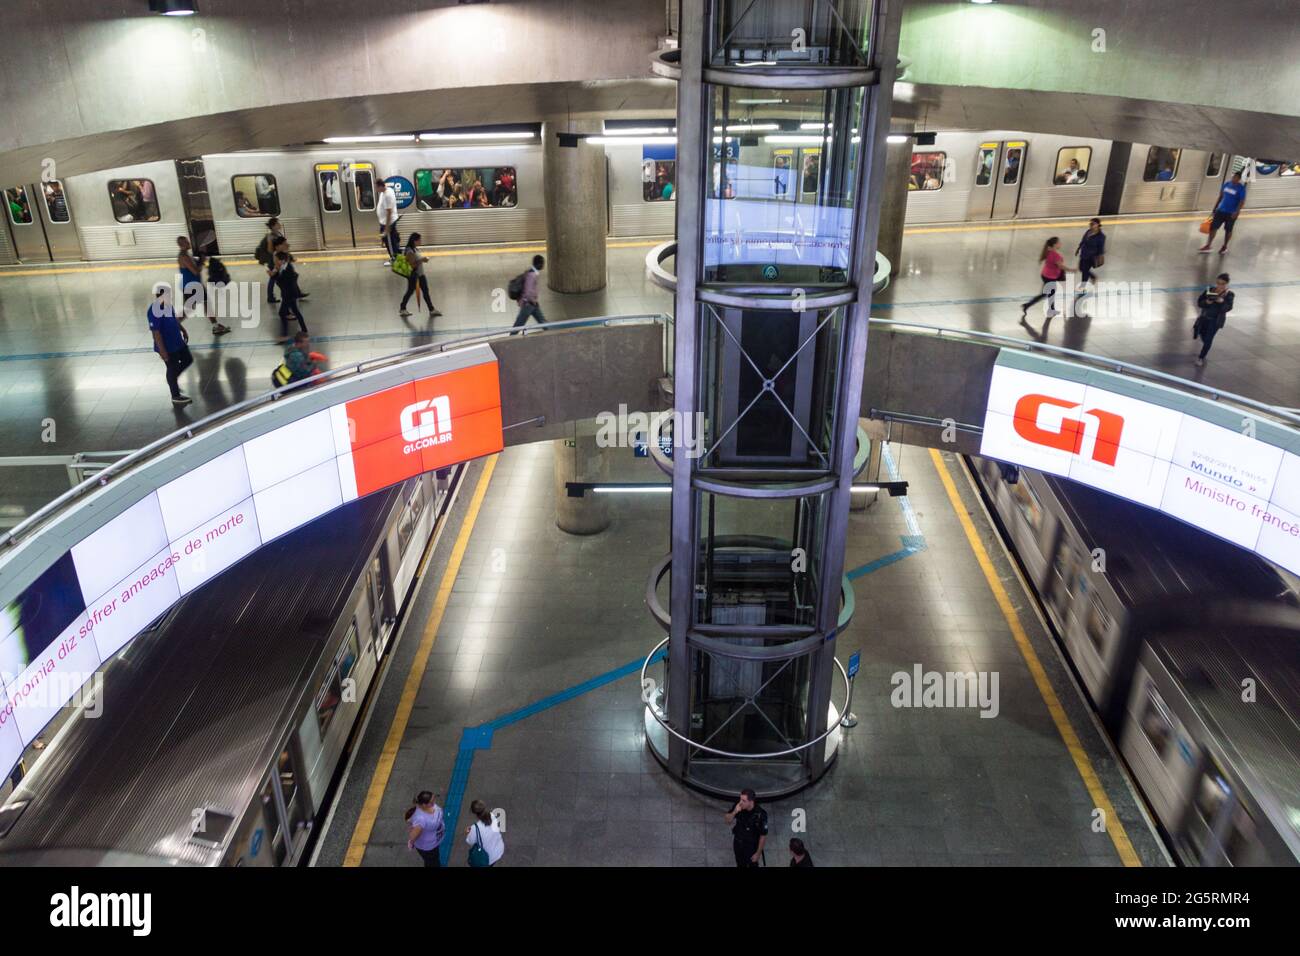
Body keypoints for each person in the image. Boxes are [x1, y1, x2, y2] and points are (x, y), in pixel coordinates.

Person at [148, 287, 193, 406]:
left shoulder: (168, 306)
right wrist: (163, 351)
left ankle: (172, 379)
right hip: (167, 346)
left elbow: (174, 319)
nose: (171, 298)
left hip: (177, 342)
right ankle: (175, 395)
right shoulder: (154, 311)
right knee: (172, 367)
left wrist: (183, 330)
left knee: (188, 359)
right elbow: (156, 333)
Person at [176, 235, 230, 335]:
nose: (189, 243)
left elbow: (198, 264)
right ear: (181, 244)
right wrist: (202, 259)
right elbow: (196, 271)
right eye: (186, 242)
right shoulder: (183, 257)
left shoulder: (187, 255)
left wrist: (202, 255)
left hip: (195, 285)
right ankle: (173, 324)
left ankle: (216, 326)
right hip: (191, 286)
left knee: (205, 305)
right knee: (189, 309)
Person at [1020, 236, 1074, 320]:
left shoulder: (1048, 252)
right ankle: (1027, 305)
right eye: (1059, 243)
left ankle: (1051, 310)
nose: (1060, 244)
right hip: (1050, 277)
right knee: (1045, 294)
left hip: (1045, 275)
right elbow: (1061, 266)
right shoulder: (1056, 255)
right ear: (1055, 245)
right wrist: (1071, 270)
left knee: (1051, 293)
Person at [1200, 171, 1247, 255]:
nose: (1234, 179)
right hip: (1220, 210)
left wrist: (1237, 212)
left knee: (1228, 230)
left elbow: (1242, 201)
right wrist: (1215, 208)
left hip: (1231, 213)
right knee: (1213, 227)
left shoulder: (1241, 188)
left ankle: (1224, 246)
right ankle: (1208, 245)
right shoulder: (1226, 184)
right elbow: (1221, 196)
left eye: (1236, 178)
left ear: (1239, 179)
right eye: (1233, 177)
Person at [1193, 273, 1234, 367]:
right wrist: (1206, 302)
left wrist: (1222, 302)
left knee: (1208, 339)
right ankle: (1206, 345)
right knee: (1202, 334)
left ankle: (1201, 357)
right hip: (1204, 318)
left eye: (1222, 284)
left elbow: (1228, 307)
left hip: (1215, 321)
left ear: (1226, 284)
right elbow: (1200, 303)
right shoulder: (1210, 290)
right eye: (1218, 283)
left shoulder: (1229, 295)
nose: (1219, 286)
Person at [399, 233, 442, 318]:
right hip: (414, 275)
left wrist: (422, 260)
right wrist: (422, 260)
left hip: (420, 274)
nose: (420, 241)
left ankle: (431, 309)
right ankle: (402, 308)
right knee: (410, 291)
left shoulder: (415, 249)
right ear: (414, 240)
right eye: (419, 240)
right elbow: (412, 265)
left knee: (425, 291)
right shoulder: (409, 251)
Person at [724, 788, 768, 867]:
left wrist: (758, 853)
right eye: (740, 799)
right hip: (738, 842)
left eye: (744, 801)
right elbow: (727, 821)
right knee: (740, 864)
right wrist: (734, 812)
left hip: (751, 845)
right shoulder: (738, 806)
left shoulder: (760, 814)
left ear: (751, 802)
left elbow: (763, 836)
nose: (740, 802)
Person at [405, 791, 445, 868]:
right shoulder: (421, 820)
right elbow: (412, 836)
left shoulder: (430, 807)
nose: (434, 803)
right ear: (424, 805)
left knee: (434, 859)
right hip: (428, 847)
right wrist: (411, 841)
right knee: (432, 862)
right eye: (431, 802)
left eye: (434, 800)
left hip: (434, 842)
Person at [274, 251, 307, 341]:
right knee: (296, 311)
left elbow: (284, 282)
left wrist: (276, 273)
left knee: (282, 313)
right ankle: (304, 329)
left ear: (282, 261)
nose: (275, 261)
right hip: (289, 294)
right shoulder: (283, 267)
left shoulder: (287, 269)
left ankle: (284, 335)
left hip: (288, 295)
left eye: (276, 260)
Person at [511, 255, 548, 333]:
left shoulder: (531, 272)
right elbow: (528, 292)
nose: (543, 265)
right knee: (519, 323)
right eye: (542, 263)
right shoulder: (532, 275)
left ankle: (551, 333)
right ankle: (511, 337)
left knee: (542, 321)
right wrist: (533, 301)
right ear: (538, 264)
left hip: (532, 304)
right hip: (528, 304)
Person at [464, 800, 505, 866]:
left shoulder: (475, 828)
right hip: (498, 850)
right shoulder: (492, 816)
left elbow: (470, 841)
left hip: (487, 857)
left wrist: (468, 832)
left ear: (474, 813)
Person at [1075, 218, 1106, 294]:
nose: (1091, 225)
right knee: (1081, 268)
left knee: (1085, 271)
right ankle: (1093, 277)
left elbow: (1101, 248)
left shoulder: (1101, 237)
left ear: (1098, 225)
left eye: (1093, 224)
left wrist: (1100, 256)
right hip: (1083, 253)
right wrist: (1078, 248)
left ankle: (1082, 287)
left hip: (1091, 256)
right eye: (1090, 224)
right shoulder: (1088, 231)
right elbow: (1083, 241)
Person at [259, 218, 285, 304]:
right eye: (278, 223)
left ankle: (272, 296)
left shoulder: (277, 233)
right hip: (273, 260)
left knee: (275, 278)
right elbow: (270, 250)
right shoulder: (270, 236)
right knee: (274, 278)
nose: (279, 224)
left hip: (278, 259)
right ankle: (271, 297)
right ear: (273, 226)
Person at [376, 175, 400, 264]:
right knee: (392, 240)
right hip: (386, 222)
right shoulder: (386, 191)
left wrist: (386, 228)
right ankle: (396, 257)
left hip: (388, 223)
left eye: (376, 187)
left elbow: (389, 212)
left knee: (390, 242)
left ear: (380, 186)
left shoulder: (387, 195)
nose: (376, 190)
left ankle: (394, 259)